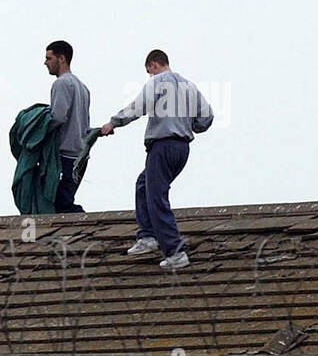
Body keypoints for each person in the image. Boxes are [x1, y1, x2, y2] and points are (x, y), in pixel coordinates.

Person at [100, 50, 213, 269]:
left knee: (156, 197)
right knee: (144, 185)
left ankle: (174, 251)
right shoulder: (190, 86)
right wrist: (187, 125)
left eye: (148, 72)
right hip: (182, 148)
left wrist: (113, 123)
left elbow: (137, 107)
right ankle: (148, 236)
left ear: (153, 65)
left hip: (162, 146)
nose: (149, 76)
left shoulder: (158, 81)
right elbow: (206, 118)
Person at [44, 40, 91, 213]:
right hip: (80, 156)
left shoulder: (61, 83)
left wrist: (38, 133)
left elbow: (57, 117)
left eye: (49, 58)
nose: (45, 63)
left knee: (59, 206)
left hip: (65, 156)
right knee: (63, 202)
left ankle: (84, 227)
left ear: (61, 58)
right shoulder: (83, 87)